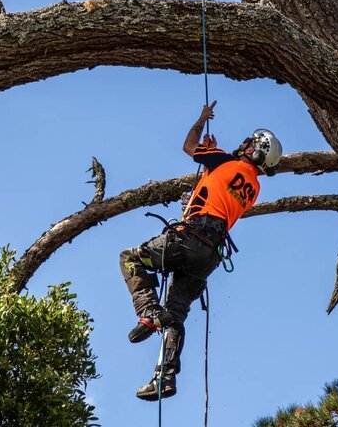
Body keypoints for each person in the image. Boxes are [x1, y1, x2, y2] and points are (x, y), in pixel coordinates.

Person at [119, 100, 282, 401]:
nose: (244, 143)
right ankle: (165, 378)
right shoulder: (253, 187)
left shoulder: (223, 161)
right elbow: (215, 192)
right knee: (176, 313)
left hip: (191, 237)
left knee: (130, 258)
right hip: (209, 254)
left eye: (249, 143)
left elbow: (189, 145)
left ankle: (148, 312)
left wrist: (201, 118)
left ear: (254, 150)